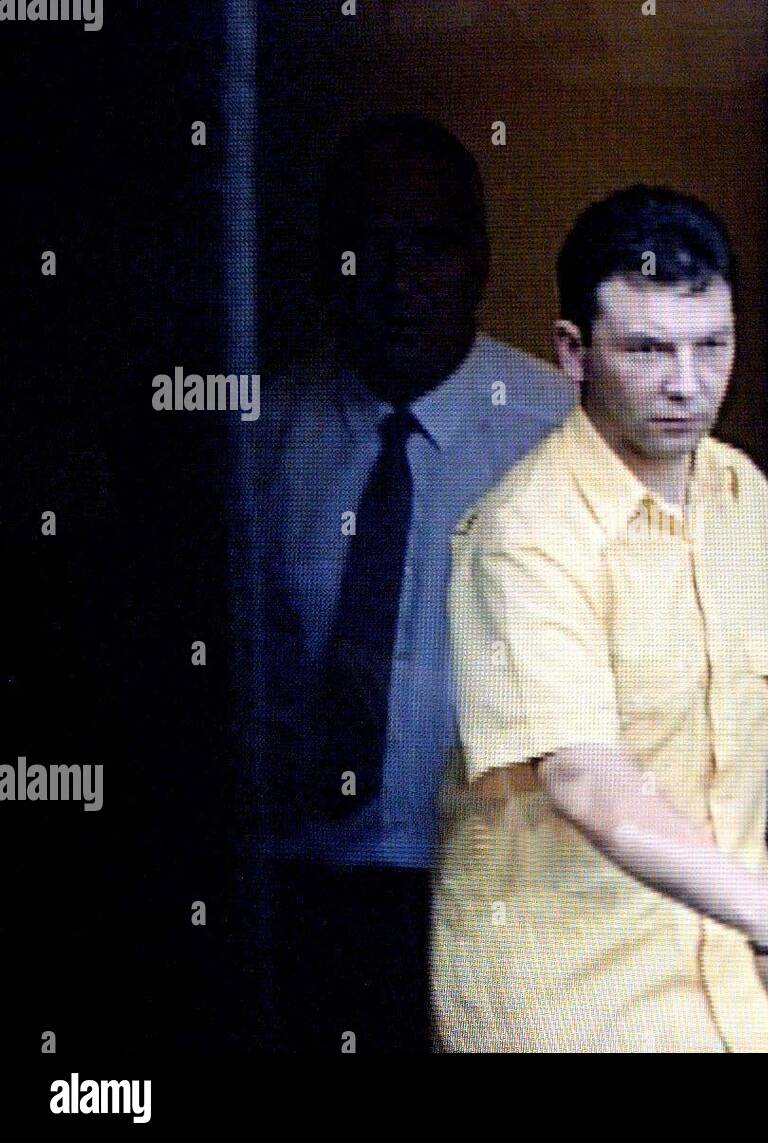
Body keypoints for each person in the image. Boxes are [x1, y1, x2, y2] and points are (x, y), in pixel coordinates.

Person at [431, 184, 768, 1052]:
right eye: (649, 349)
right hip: (571, 1006)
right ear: (574, 353)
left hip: (733, 1000)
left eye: (713, 345)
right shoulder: (524, 533)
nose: (688, 384)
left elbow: (730, 787)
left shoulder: (750, 504)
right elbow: (587, 778)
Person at [248, 114, 573, 1052]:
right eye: (368, 249)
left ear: (478, 260)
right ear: (326, 258)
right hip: (298, 897)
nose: (396, 282)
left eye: (429, 247)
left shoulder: (557, 440)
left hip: (493, 901)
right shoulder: (258, 439)